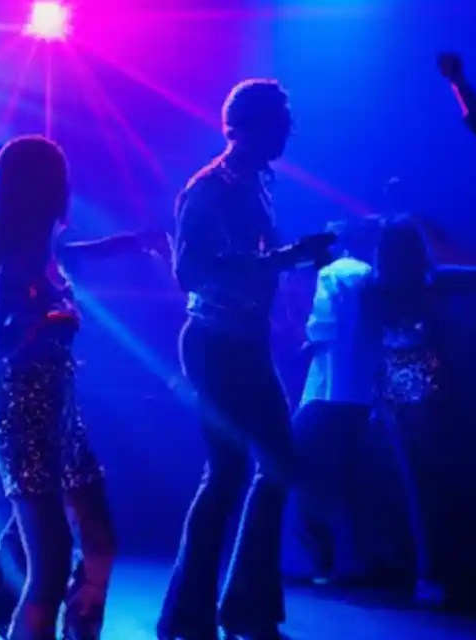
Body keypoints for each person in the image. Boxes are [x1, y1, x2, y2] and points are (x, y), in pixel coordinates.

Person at [158, 80, 335, 640]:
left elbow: (260, 260)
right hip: (213, 342)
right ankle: (191, 618)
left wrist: (285, 269)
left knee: (274, 465)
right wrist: (281, 261)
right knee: (230, 473)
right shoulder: (208, 190)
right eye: (279, 125)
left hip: (246, 341)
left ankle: (244, 610)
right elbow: (188, 274)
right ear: (250, 128)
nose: (287, 135)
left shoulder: (261, 179)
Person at [0, 136, 116, 640]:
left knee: (100, 541)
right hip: (24, 413)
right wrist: (50, 319)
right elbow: (0, 341)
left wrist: (131, 243)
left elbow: (76, 258)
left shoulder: (39, 245)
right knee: (51, 561)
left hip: (57, 411)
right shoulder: (16, 260)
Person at [363, 216, 476, 605]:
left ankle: (433, 576)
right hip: (432, 397)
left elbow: (368, 349)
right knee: (448, 485)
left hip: (402, 400)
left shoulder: (377, 290)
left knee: (422, 492)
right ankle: (449, 573)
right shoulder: (427, 282)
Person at [290, 224, 382, 586]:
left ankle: (319, 560)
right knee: (347, 477)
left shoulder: (334, 274)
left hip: (328, 389)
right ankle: (350, 560)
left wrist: (306, 340)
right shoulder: (371, 275)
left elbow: (323, 330)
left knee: (297, 468)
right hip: (360, 394)